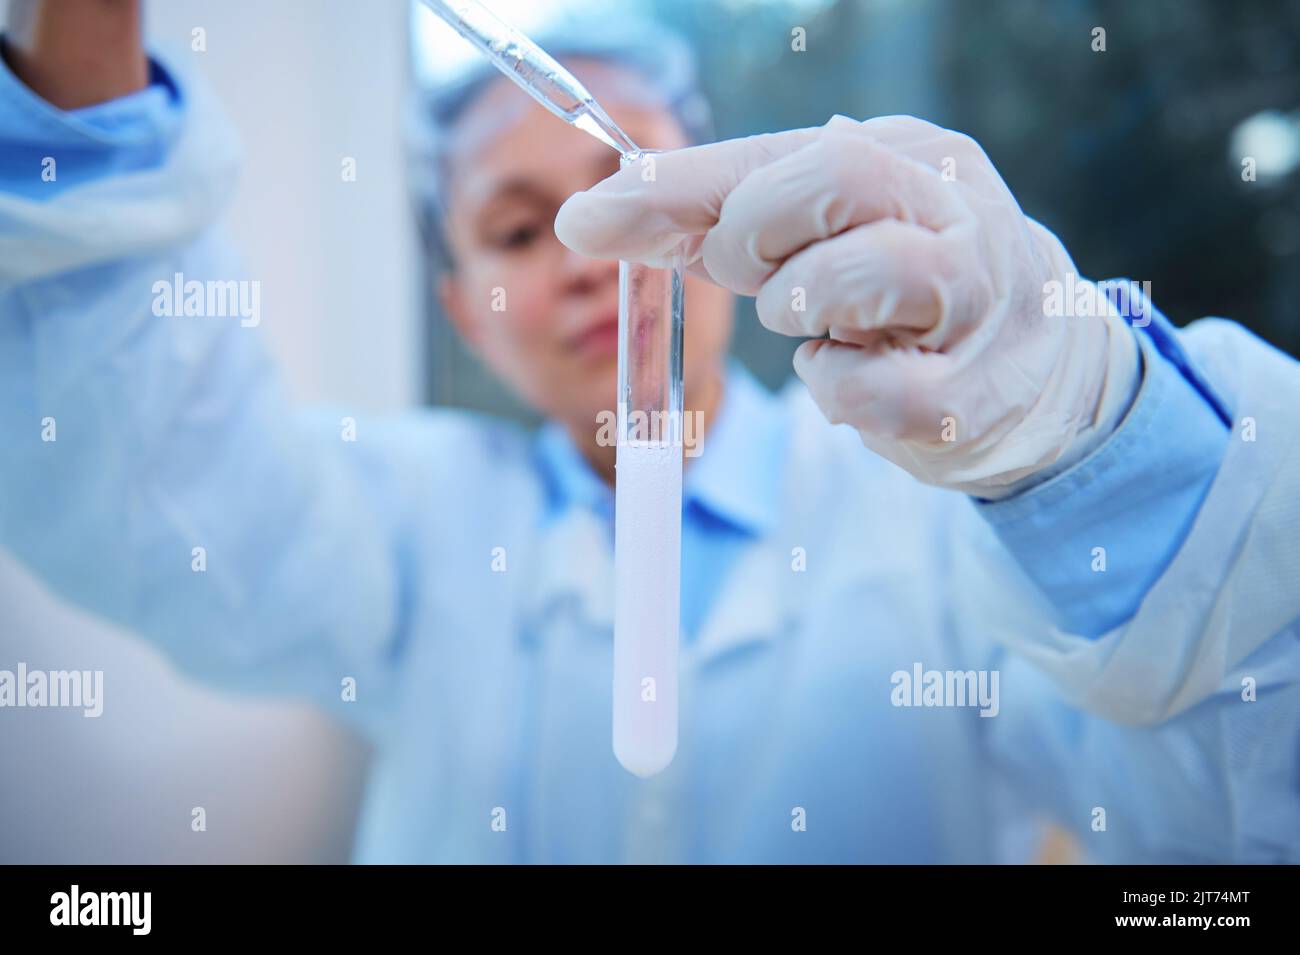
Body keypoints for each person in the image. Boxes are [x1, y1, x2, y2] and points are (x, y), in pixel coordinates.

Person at [1, 0, 1297, 864]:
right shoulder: (414, 522)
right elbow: (146, 477)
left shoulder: (927, 511)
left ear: (734, 210)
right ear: (460, 306)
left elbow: (1220, 803)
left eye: (632, 193)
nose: (591, 259)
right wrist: (79, 55)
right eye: (518, 231)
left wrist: (1087, 441)